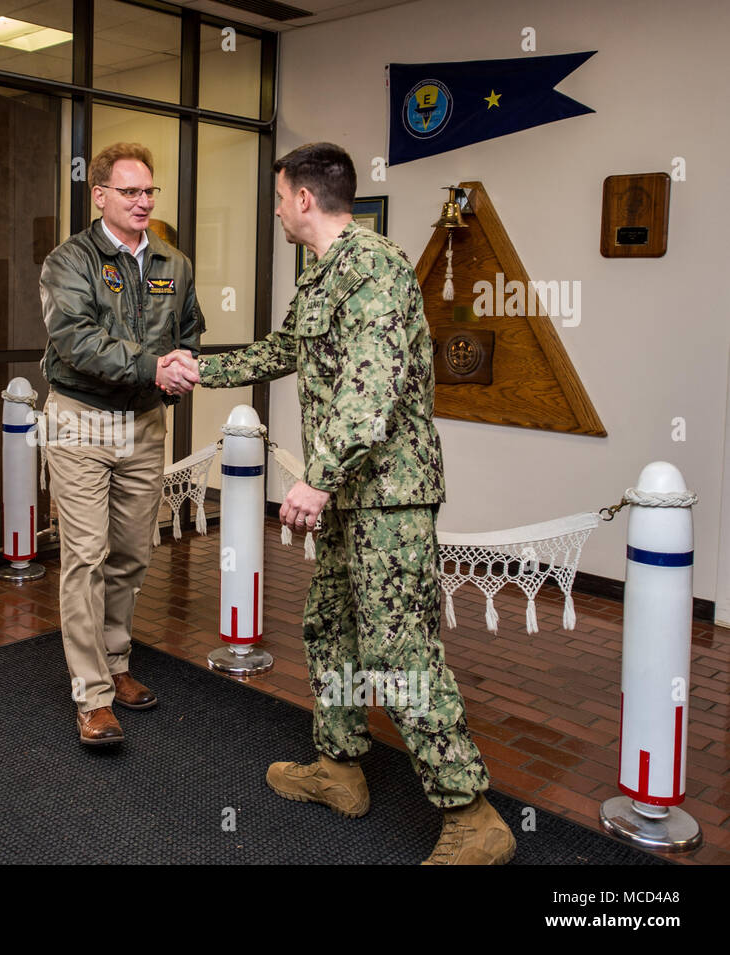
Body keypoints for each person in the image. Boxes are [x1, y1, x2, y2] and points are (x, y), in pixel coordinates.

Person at [162, 142, 515, 865]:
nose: (278, 207)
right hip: (350, 498)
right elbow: (282, 350)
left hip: (389, 497)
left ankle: (471, 814)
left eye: (280, 194)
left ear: (301, 198)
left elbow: (372, 389)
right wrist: (203, 368)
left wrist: (316, 477)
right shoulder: (323, 276)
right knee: (332, 627)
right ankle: (341, 766)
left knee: (399, 647)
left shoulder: (375, 267)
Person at [39, 142, 203, 747]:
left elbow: (188, 332)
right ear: (99, 194)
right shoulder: (69, 262)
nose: (142, 202)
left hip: (142, 424)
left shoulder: (173, 262)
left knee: (133, 551)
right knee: (85, 554)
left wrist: (178, 372)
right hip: (80, 421)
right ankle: (91, 694)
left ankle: (115, 662)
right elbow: (77, 341)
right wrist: (155, 367)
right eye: (130, 192)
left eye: (149, 191)